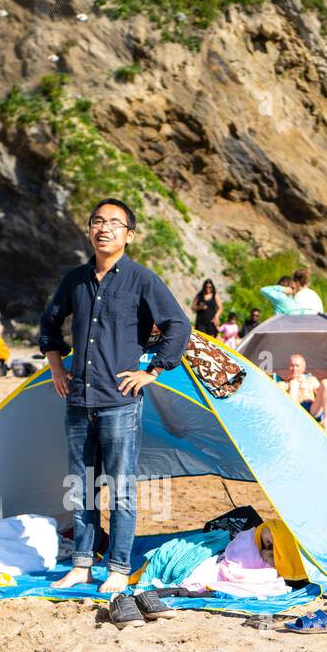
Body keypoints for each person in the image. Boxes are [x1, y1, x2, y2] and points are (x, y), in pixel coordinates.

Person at [39, 197, 191, 594]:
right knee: (82, 486)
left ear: (129, 235)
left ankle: (119, 568)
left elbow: (177, 325)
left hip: (120, 402)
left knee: (121, 488)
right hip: (78, 401)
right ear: (89, 230)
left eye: (113, 223)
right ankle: (83, 565)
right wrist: (58, 367)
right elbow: (50, 322)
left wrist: (152, 371)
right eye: (96, 222)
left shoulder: (142, 280)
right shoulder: (75, 279)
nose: (103, 228)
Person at [275, 353, 327, 431]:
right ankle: (293, 423)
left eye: (297, 366)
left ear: (303, 368)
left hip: (313, 410)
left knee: (326, 382)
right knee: (294, 384)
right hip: (296, 413)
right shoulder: (283, 384)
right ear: (288, 368)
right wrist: (292, 383)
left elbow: (322, 394)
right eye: (291, 366)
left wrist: (307, 385)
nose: (294, 369)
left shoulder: (311, 380)